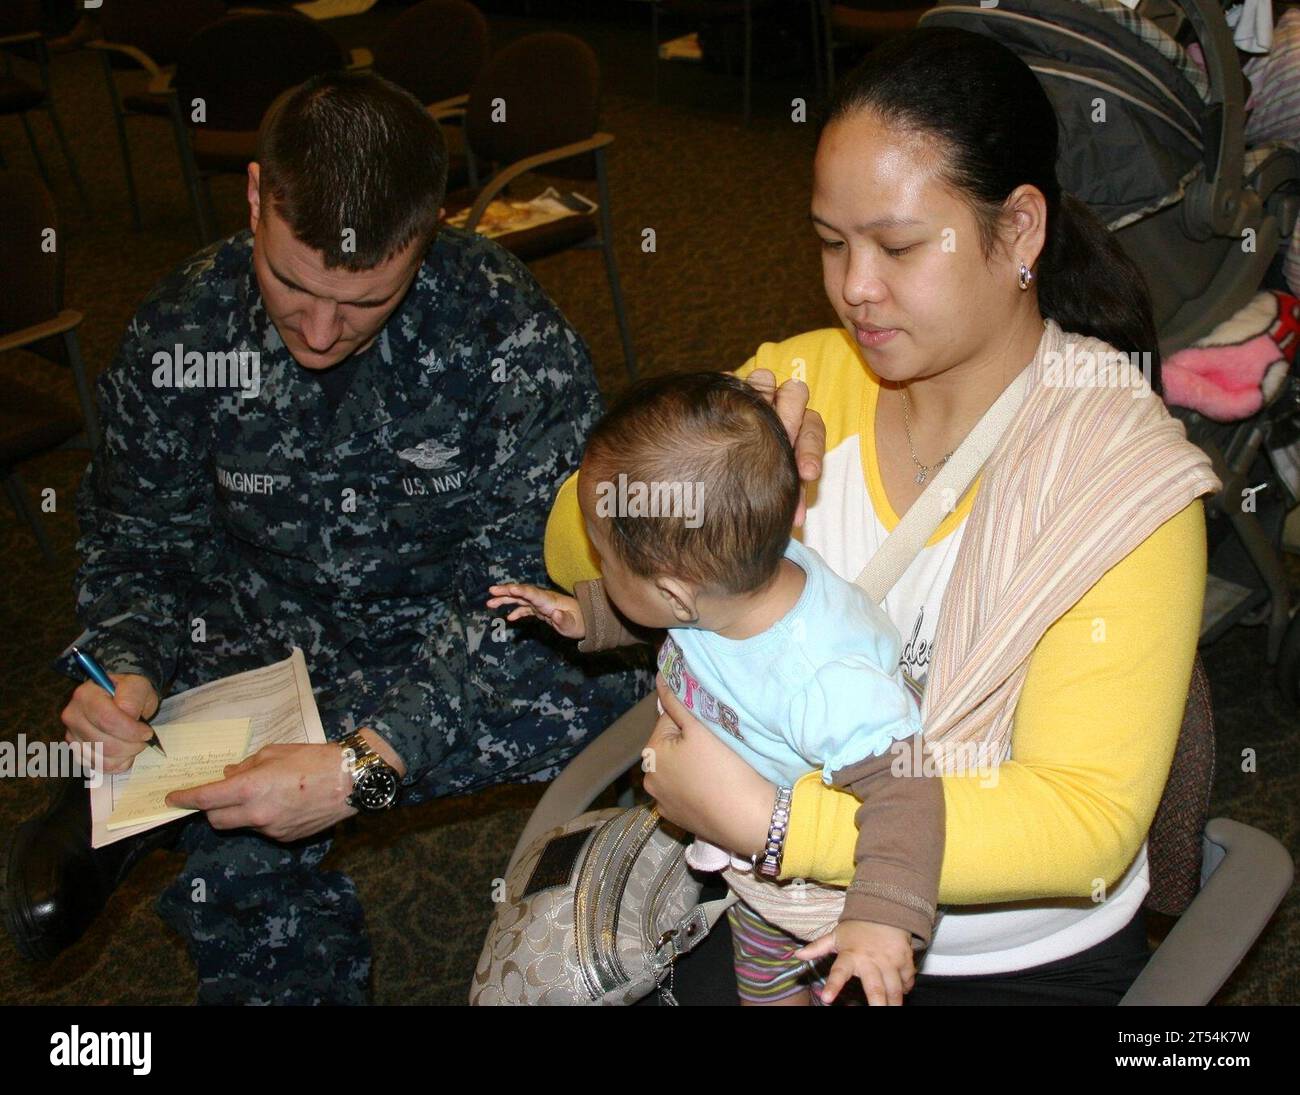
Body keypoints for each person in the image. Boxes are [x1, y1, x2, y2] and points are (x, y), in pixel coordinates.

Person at [543, 27, 1220, 1005]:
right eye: (829, 243)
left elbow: (1082, 824)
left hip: (1003, 957)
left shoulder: (1118, 478)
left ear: (1020, 231)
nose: (853, 286)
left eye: (898, 246)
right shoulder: (803, 383)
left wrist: (777, 824)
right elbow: (578, 549)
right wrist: (674, 499)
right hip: (778, 911)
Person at [5, 70, 650, 1004]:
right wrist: (126, 658)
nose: (316, 331)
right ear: (258, 195)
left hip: (477, 640)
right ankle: (142, 795)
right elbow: (136, 534)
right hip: (281, 640)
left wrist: (366, 769)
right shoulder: (181, 329)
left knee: (654, 701)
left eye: (362, 303)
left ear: (424, 238)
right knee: (233, 865)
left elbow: (530, 593)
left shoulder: (507, 334)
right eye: (290, 283)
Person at [487, 371, 944, 1005]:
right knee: (763, 984)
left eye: (603, 559)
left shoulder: (824, 679)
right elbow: (672, 621)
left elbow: (910, 787)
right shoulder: (733, 583)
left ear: (674, 592)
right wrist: (586, 615)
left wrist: (882, 917)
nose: (594, 564)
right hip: (753, 868)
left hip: (828, 888)